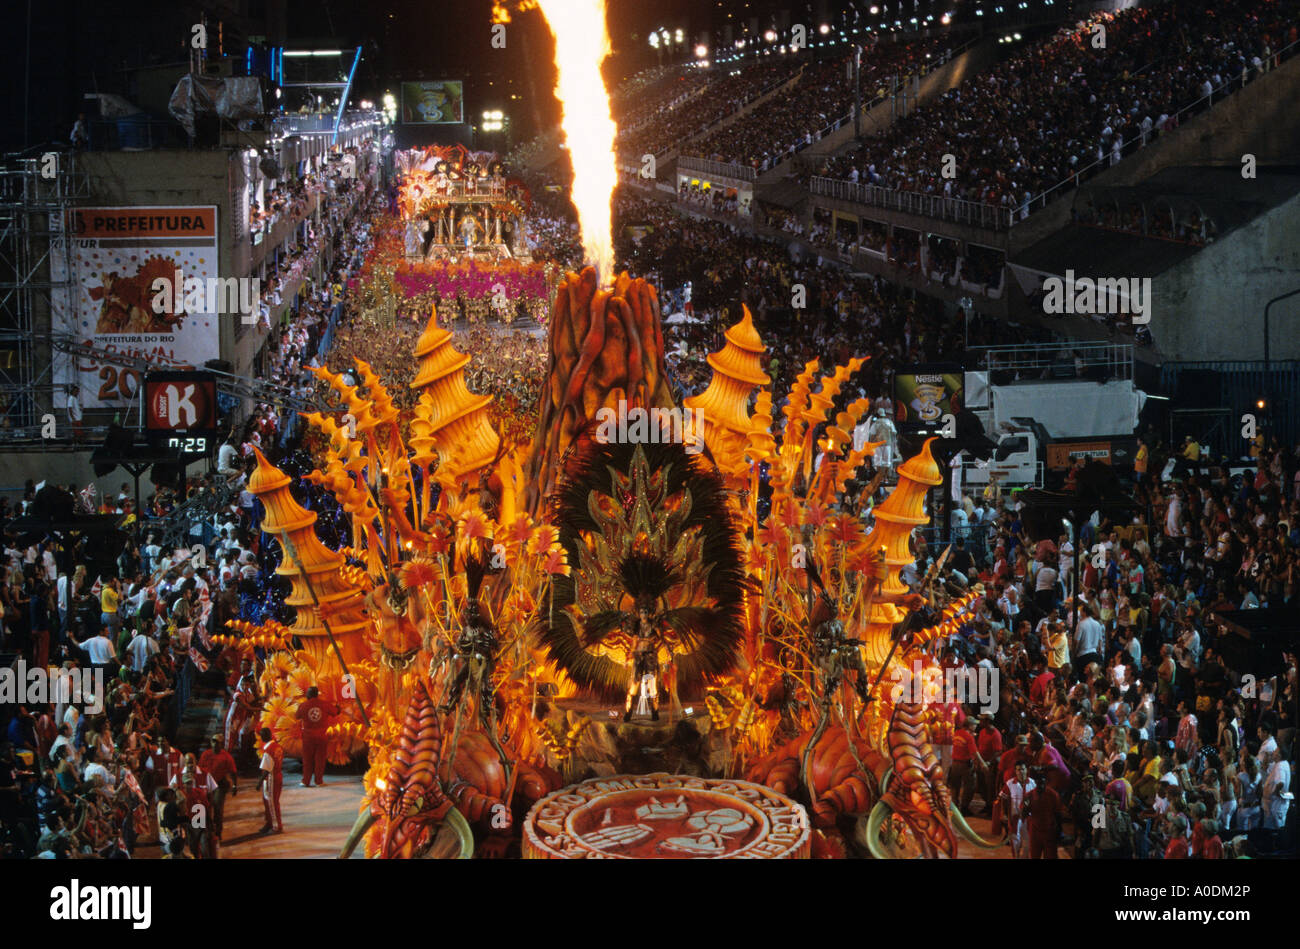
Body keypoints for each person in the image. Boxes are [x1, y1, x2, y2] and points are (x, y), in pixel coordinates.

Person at [295, 686, 338, 787]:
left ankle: (306, 781)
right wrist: (338, 707)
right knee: (320, 759)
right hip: (322, 736)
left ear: (308, 694)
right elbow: (335, 712)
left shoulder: (303, 705)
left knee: (307, 759)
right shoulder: (325, 704)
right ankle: (318, 781)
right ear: (317, 694)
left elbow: (297, 716)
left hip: (308, 737)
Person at [1000, 760, 1035, 859]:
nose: (1021, 772)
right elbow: (1003, 798)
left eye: (1023, 769)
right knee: (1015, 842)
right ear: (1015, 771)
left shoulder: (1032, 783)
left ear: (1026, 770)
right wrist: (1004, 814)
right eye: (1018, 770)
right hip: (1014, 818)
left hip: (1028, 818)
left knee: (1028, 842)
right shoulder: (1010, 783)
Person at [258, 726, 284, 835]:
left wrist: (258, 783)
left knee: (272, 803)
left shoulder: (268, 750)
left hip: (271, 778)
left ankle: (277, 825)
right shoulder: (277, 746)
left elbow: (266, 770)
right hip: (277, 776)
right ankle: (269, 823)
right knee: (268, 801)